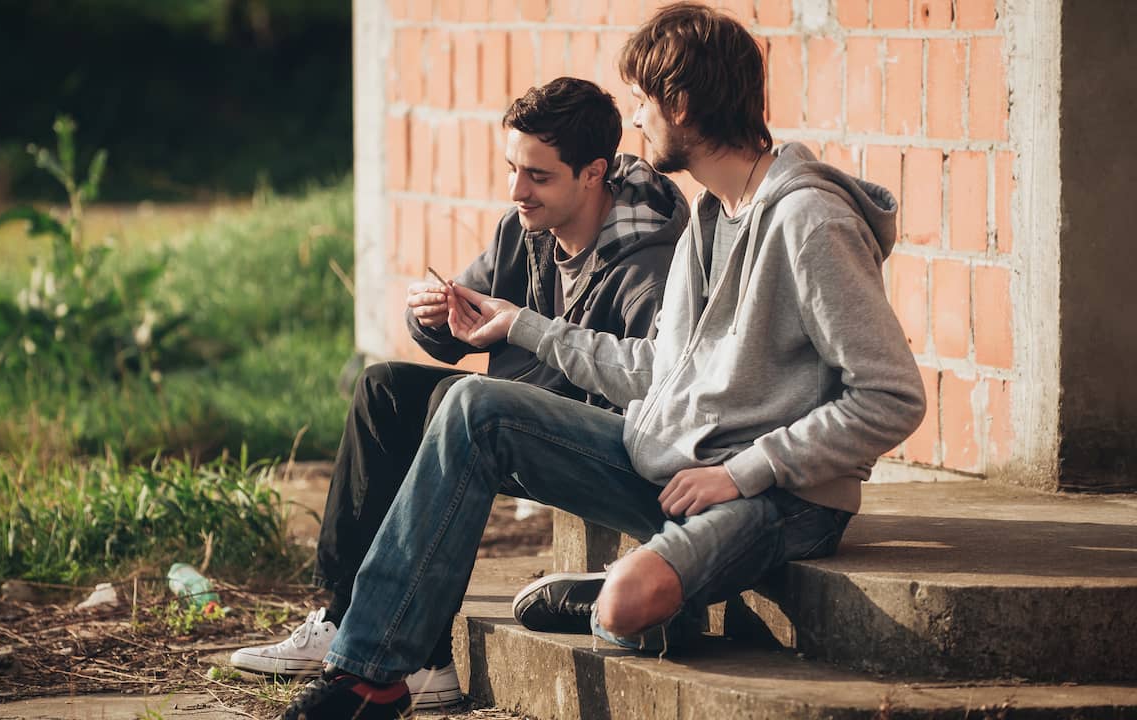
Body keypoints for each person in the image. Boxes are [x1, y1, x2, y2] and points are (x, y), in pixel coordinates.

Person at [278, 3, 927, 717]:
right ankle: (372, 675)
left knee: (624, 606)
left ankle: (626, 596)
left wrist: (744, 470)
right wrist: (524, 326)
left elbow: (891, 397)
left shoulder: (810, 222)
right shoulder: (712, 214)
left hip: (778, 498)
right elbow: (656, 368)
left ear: (679, 104)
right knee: (473, 407)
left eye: (643, 102)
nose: (637, 122)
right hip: (671, 460)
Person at [230, 76, 688, 710]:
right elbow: (463, 329)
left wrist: (524, 330)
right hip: (503, 419)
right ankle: (353, 622)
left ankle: (397, 660)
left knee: (464, 404)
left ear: (593, 173)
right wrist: (435, 318)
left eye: (538, 175)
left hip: (594, 447)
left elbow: (651, 386)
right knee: (384, 388)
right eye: (511, 168)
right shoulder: (521, 230)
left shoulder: (649, 264)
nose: (516, 190)